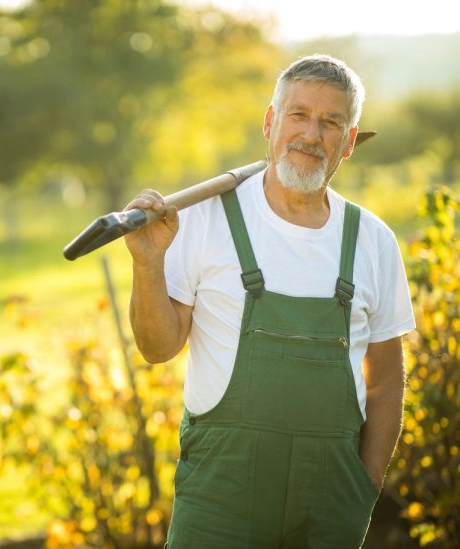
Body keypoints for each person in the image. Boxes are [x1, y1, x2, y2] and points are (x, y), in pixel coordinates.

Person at [124, 54, 416, 548]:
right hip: (220, 500)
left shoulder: (372, 241)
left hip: (330, 509)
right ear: (269, 122)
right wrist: (148, 263)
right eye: (298, 115)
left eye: (330, 123)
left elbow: (386, 382)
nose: (310, 134)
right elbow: (157, 349)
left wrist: (362, 491)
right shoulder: (205, 220)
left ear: (348, 143)